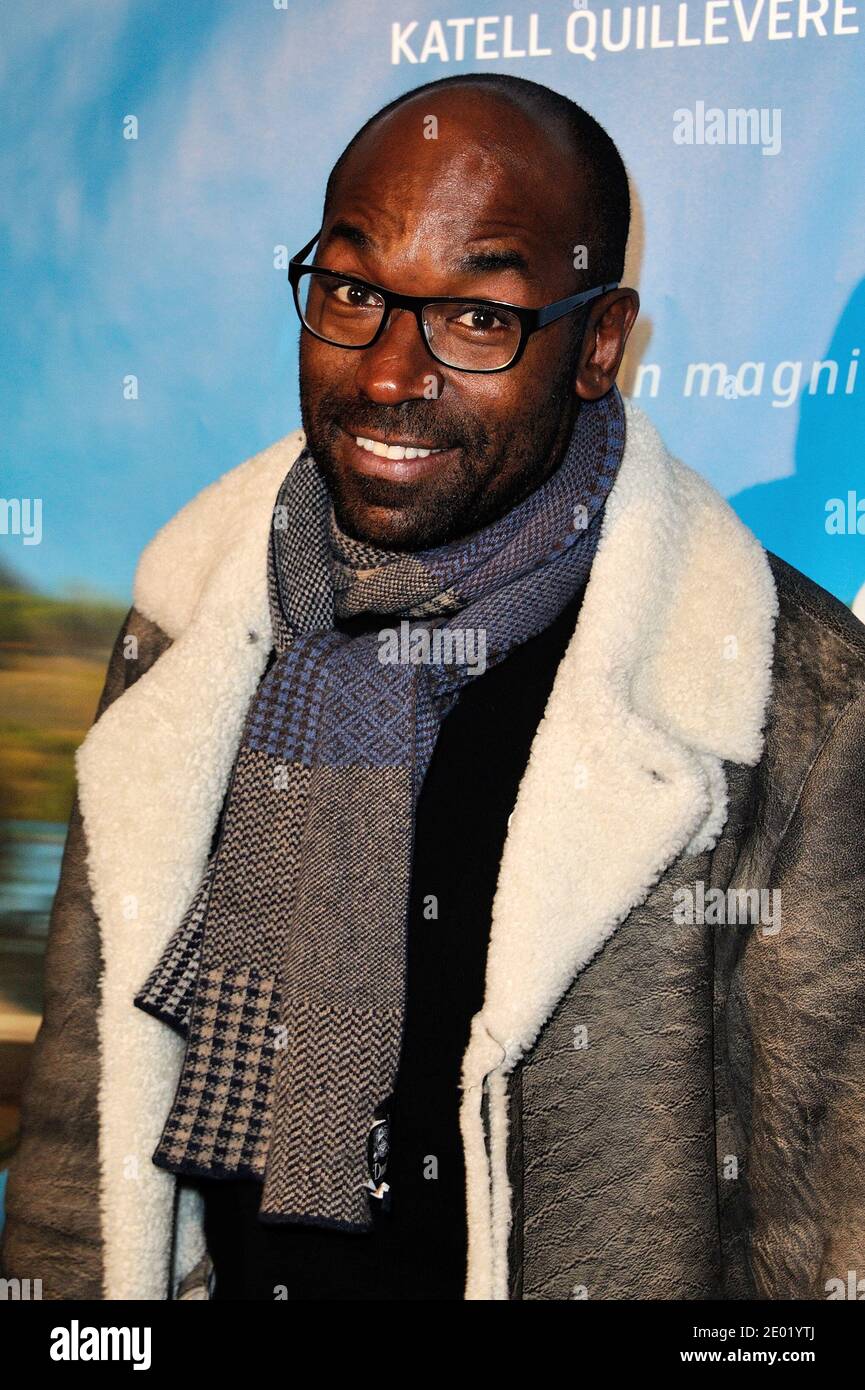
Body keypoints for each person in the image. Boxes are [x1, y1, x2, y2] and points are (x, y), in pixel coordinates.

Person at [2, 72, 864, 1303]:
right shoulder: (192, 615)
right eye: (354, 292)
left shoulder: (789, 700)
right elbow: (83, 1135)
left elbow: (824, 1226)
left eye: (475, 319)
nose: (390, 374)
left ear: (598, 346)